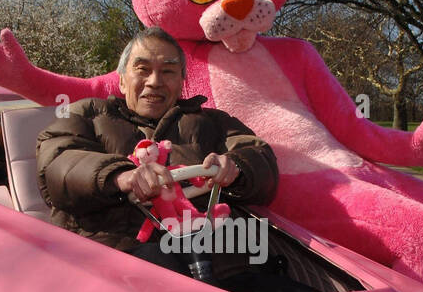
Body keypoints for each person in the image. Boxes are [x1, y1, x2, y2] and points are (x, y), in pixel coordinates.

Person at [36, 27, 279, 277]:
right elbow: (58, 163)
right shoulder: (85, 114)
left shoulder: (212, 121)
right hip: (118, 261)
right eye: (142, 70)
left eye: (168, 71)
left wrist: (236, 166)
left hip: (222, 256)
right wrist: (123, 177)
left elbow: (260, 157)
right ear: (121, 79)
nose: (154, 81)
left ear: (182, 82)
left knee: (275, 274)